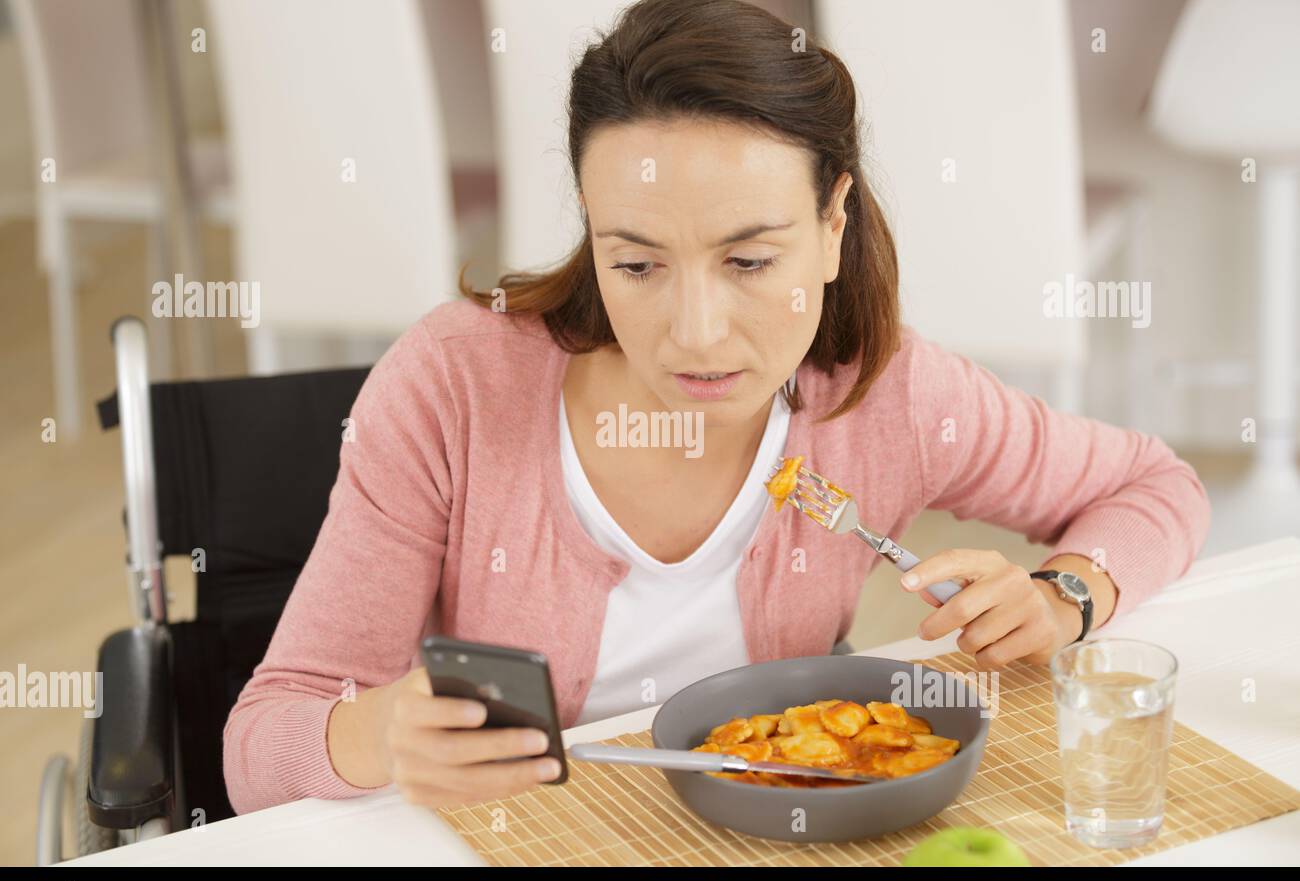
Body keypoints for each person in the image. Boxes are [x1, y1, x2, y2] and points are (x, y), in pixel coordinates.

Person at [223, 0, 1210, 815]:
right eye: (636, 262)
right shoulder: (453, 384)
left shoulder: (889, 396)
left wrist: (1062, 596)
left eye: (748, 261)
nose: (694, 331)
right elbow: (260, 743)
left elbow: (1153, 482)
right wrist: (379, 731)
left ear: (832, 226)